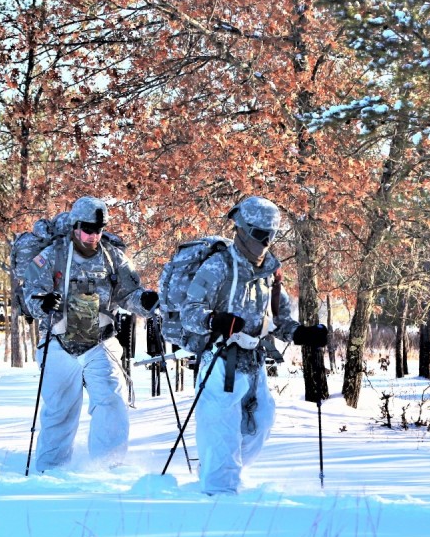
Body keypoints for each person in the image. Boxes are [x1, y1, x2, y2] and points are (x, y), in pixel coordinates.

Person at [179, 196, 327, 494]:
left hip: (254, 361)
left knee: (261, 423)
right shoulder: (218, 266)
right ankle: (217, 494)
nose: (266, 242)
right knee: (221, 430)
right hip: (220, 361)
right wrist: (214, 320)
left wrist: (302, 334)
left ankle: (221, 470)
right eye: (260, 234)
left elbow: (279, 320)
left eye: (271, 235)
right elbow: (189, 312)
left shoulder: (270, 273)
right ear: (243, 230)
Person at [20, 196, 159, 471]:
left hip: (99, 341)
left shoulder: (113, 257)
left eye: (98, 230)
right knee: (59, 410)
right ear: (75, 226)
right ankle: (50, 471)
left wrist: (144, 301)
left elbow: (128, 294)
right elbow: (31, 294)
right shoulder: (52, 255)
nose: (93, 236)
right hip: (59, 342)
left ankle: (108, 468)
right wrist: (43, 303)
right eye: (87, 229)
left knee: (111, 401)